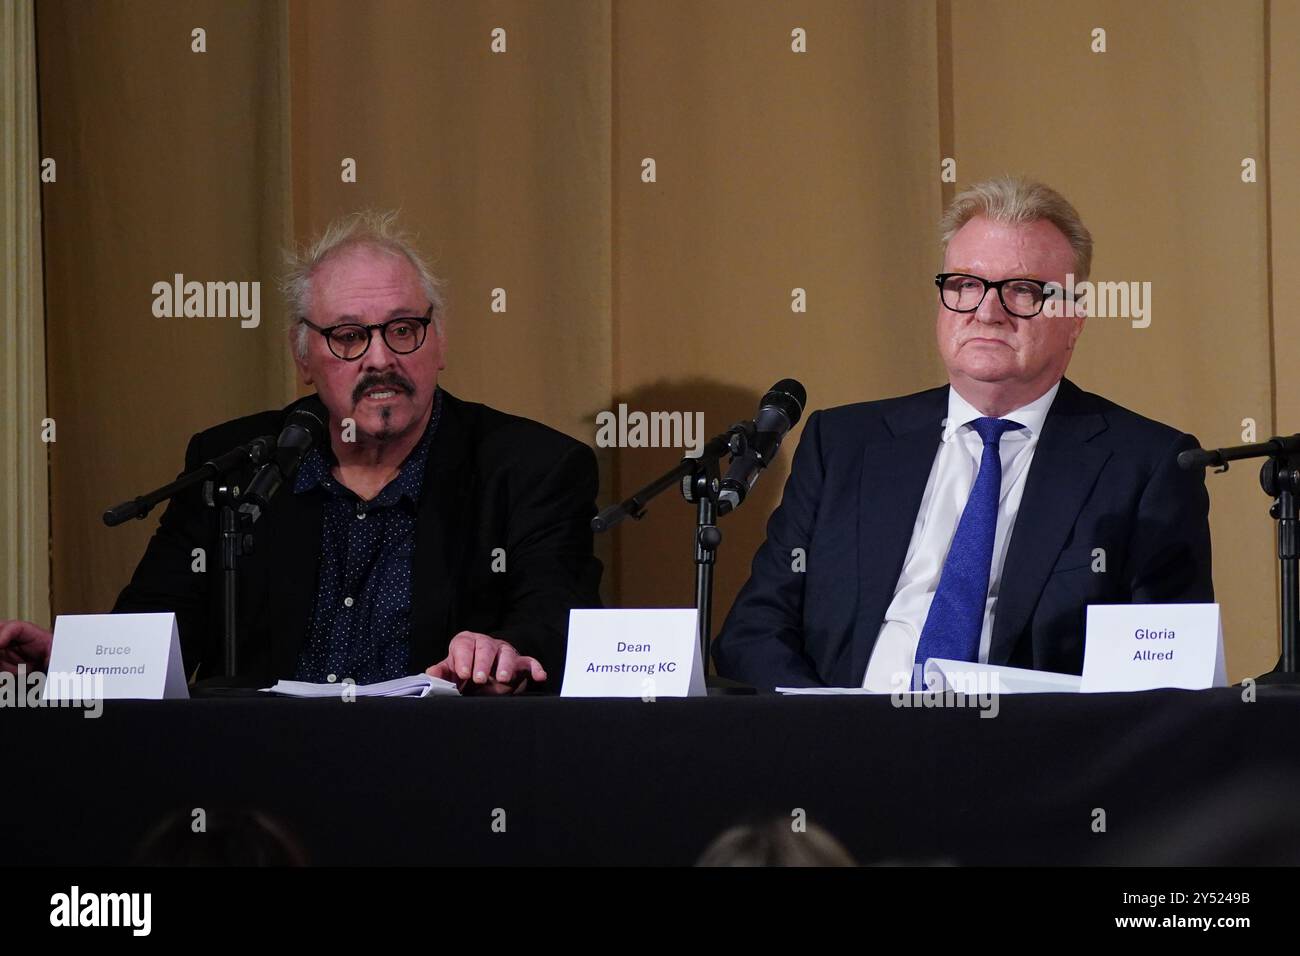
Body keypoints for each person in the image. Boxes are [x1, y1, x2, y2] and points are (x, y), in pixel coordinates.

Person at [0, 211, 602, 693]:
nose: (380, 359)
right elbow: (163, 628)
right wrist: (75, 663)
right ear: (303, 356)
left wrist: (508, 652)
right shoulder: (235, 463)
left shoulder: (531, 467)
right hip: (262, 786)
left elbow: (556, 617)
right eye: (348, 336)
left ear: (438, 341)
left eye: (402, 329)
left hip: (444, 777)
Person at [714, 176, 1213, 690]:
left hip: (1028, 755)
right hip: (840, 742)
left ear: (1075, 318)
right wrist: (827, 731)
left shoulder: (1148, 466)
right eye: (965, 285)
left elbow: (1163, 672)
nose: (987, 311)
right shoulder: (842, 444)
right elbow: (754, 631)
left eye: (1023, 290)